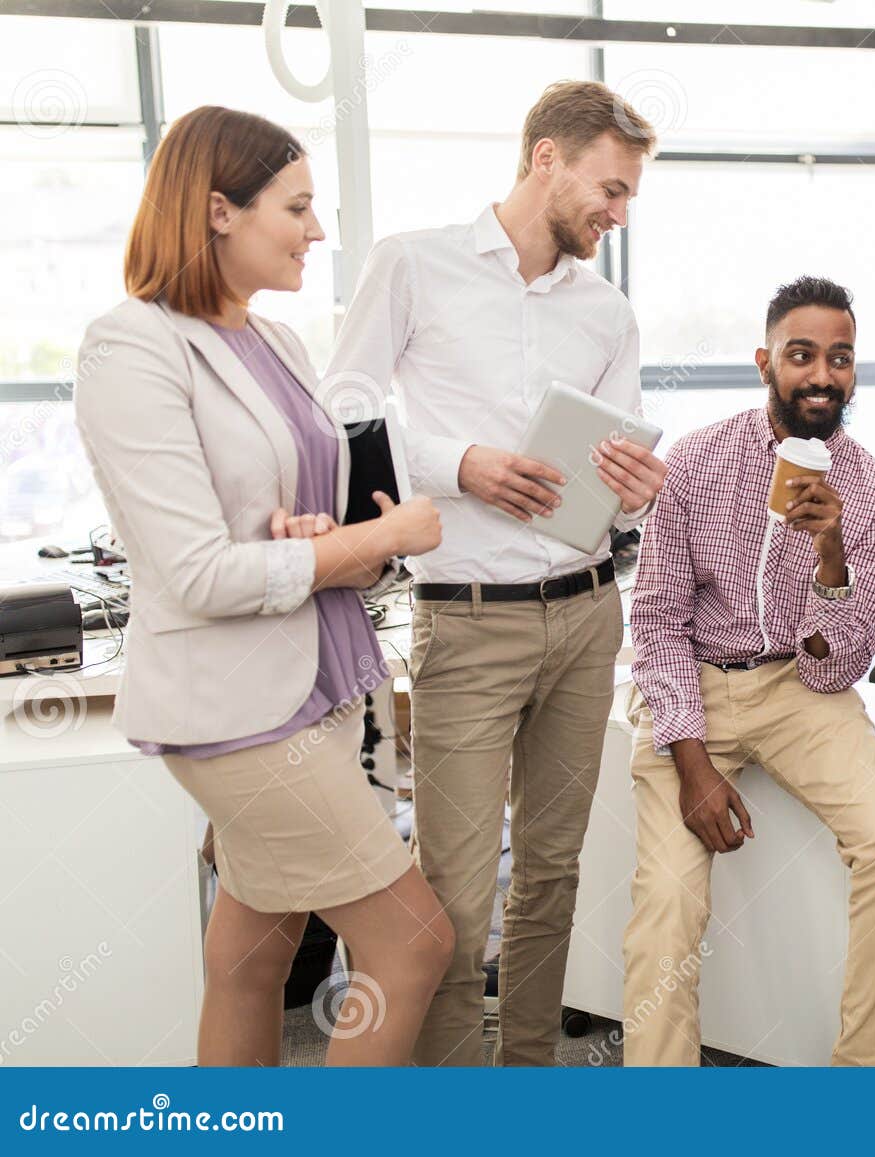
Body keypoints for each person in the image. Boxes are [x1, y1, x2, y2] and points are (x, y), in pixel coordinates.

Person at [75, 106, 450, 1066]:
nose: (318, 231)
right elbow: (197, 570)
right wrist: (375, 536)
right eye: (297, 207)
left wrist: (319, 530)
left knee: (252, 958)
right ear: (216, 211)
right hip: (238, 715)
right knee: (413, 944)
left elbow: (276, 515)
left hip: (310, 687)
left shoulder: (276, 342)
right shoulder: (131, 347)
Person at [324, 80, 668, 1066]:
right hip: (465, 620)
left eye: (629, 196)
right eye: (610, 188)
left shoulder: (607, 310)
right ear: (545, 159)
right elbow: (340, 405)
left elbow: (621, 479)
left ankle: (526, 1081)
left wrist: (640, 487)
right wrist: (458, 461)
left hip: (587, 611)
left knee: (552, 875)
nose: (618, 212)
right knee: (455, 896)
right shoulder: (413, 266)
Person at [623, 276, 875, 1066]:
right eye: (803, 355)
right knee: (667, 898)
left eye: (840, 358)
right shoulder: (697, 460)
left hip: (798, 685)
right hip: (690, 680)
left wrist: (830, 553)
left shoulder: (872, 496)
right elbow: (656, 617)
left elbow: (839, 670)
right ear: (766, 361)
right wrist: (691, 763)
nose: (822, 375)